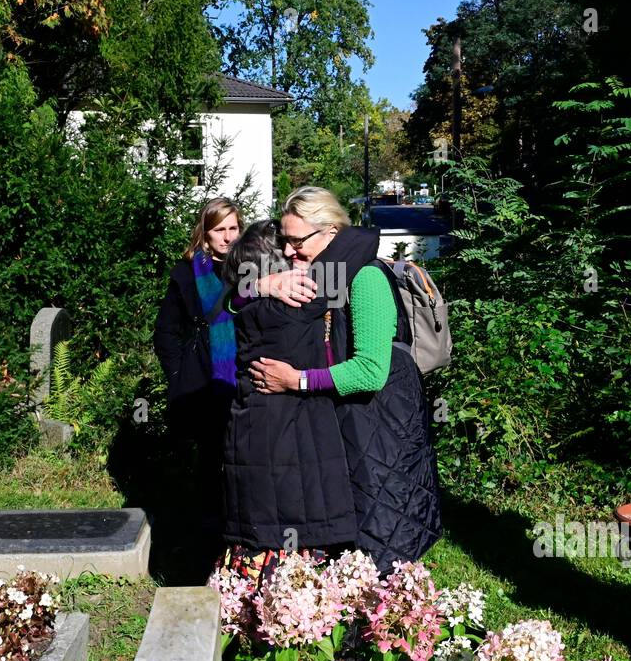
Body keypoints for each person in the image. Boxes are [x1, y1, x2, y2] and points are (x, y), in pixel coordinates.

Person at [247, 186, 441, 572]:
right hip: (359, 426)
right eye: (285, 242)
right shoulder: (328, 277)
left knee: (383, 544)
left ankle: (388, 626)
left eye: (296, 241)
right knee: (359, 547)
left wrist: (296, 381)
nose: (288, 252)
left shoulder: (365, 278)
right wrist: (259, 285)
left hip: (383, 430)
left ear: (331, 233)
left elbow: (370, 370)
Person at [215, 220, 358, 585]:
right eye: (288, 247)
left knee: (259, 534)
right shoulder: (298, 301)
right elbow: (360, 244)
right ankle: (291, 618)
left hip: (252, 429)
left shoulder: (251, 304)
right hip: (284, 437)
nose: (297, 253)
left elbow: (225, 300)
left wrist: (255, 285)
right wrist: (331, 228)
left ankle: (246, 615)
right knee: (292, 530)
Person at [152, 198, 245, 538]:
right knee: (210, 454)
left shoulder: (252, 270)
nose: (227, 237)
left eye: (233, 228)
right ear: (205, 235)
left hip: (244, 375)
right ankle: (209, 529)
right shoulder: (187, 274)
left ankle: (240, 520)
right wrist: (179, 375)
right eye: (219, 230)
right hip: (203, 379)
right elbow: (166, 332)